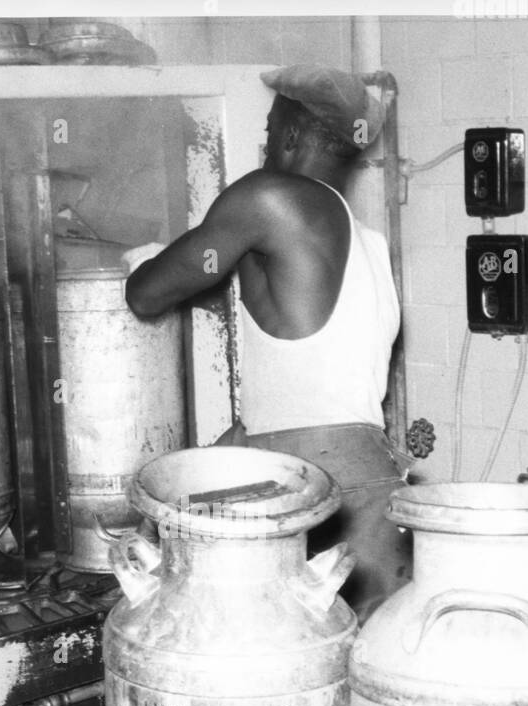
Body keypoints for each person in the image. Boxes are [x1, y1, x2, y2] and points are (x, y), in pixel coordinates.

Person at [123, 64, 409, 621]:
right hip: (373, 481)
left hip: (312, 485)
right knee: (367, 679)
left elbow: (147, 296)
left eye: (270, 128)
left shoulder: (268, 197)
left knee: (283, 668)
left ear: (293, 135)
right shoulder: (366, 239)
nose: (264, 142)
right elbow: (308, 383)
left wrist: (143, 260)